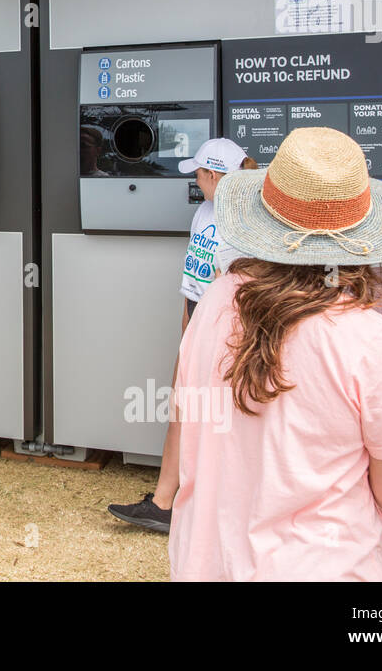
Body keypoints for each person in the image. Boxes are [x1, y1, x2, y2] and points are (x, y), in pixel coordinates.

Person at [169, 127, 382, 580]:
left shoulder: (216, 300)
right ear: (362, 235)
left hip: (205, 563)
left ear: (262, 215)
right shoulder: (370, 339)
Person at [108, 138, 256, 533]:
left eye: (200, 174)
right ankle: (164, 502)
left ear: (213, 175)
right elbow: (193, 281)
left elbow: (241, 285)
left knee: (223, 413)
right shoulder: (204, 212)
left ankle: (214, 505)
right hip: (197, 315)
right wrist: (186, 329)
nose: (197, 181)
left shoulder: (246, 220)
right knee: (182, 408)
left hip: (225, 323)